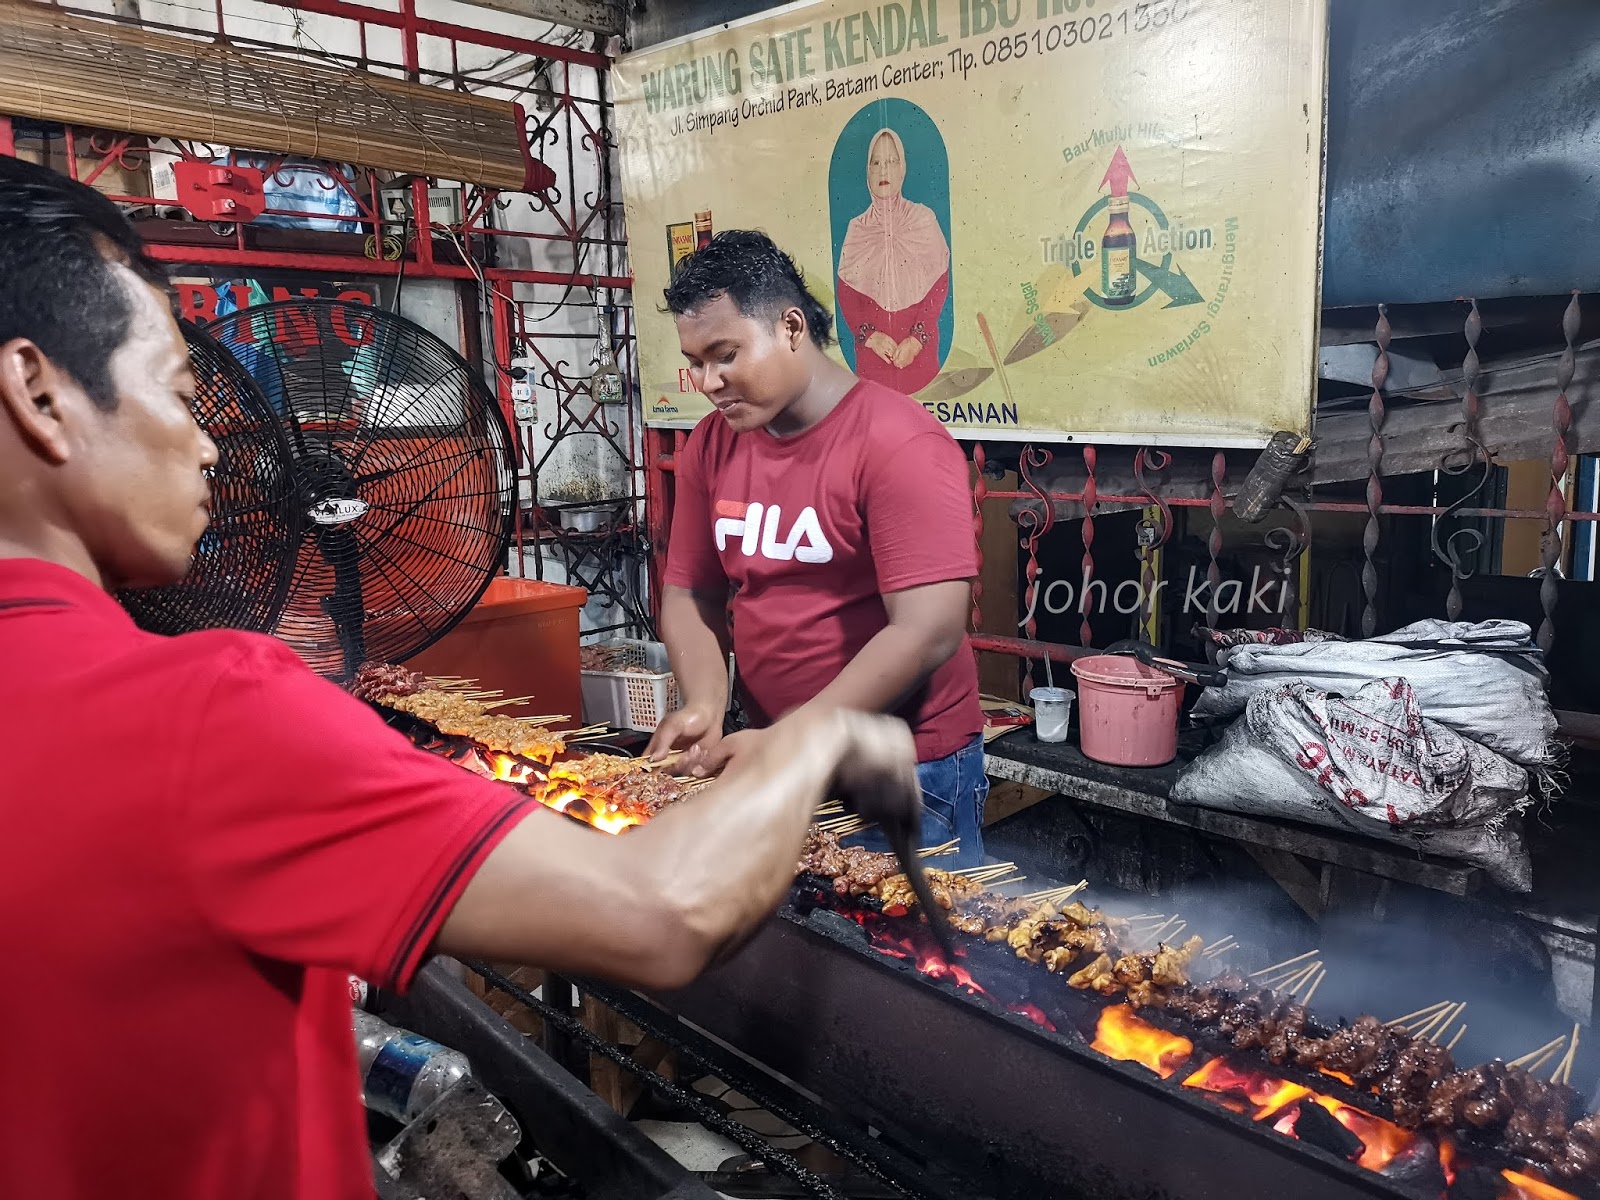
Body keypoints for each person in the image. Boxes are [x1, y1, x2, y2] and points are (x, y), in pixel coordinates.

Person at [0, 156, 924, 1200]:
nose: (214, 443)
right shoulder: (203, 710)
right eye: (180, 391)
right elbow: (664, 913)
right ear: (38, 392)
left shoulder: (894, 440)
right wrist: (814, 738)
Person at [644, 230, 989, 867]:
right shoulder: (711, 447)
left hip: (903, 764)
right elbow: (691, 591)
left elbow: (927, 630)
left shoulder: (898, 444)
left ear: (792, 327)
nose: (709, 382)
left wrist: (797, 736)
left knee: (912, 961)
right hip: (779, 753)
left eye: (725, 354)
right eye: (695, 362)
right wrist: (705, 703)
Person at [834, 128, 951, 395]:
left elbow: (939, 284)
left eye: (891, 162)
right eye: (875, 163)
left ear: (902, 169)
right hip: (874, 362)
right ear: (867, 172)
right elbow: (847, 294)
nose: (883, 171)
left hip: (919, 359)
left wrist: (916, 340)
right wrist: (872, 338)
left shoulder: (923, 219)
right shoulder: (857, 228)